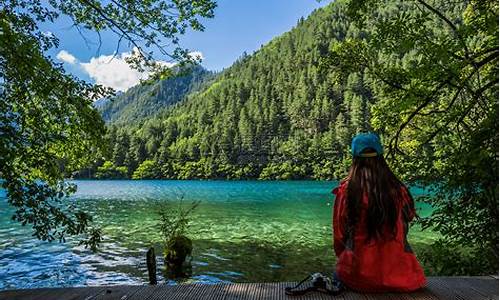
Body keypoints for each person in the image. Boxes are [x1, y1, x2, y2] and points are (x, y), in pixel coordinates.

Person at [332, 133, 426, 292]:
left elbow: (339, 236)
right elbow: (408, 217)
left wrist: (346, 258)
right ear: (381, 157)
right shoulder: (399, 190)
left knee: (336, 275)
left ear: (354, 158)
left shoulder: (347, 191)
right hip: (403, 278)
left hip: (359, 278)